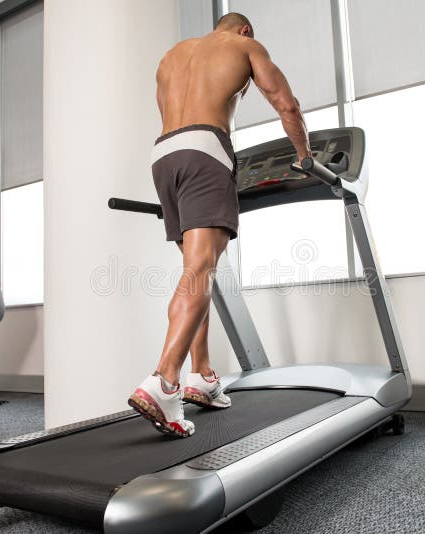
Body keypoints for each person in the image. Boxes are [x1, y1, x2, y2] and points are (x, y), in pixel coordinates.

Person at [128, 12, 311, 437]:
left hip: (164, 156)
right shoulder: (244, 46)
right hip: (206, 150)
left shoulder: (172, 55)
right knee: (200, 271)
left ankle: (203, 375)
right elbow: (287, 104)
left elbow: (171, 113)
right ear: (245, 30)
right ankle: (164, 381)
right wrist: (304, 155)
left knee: (195, 272)